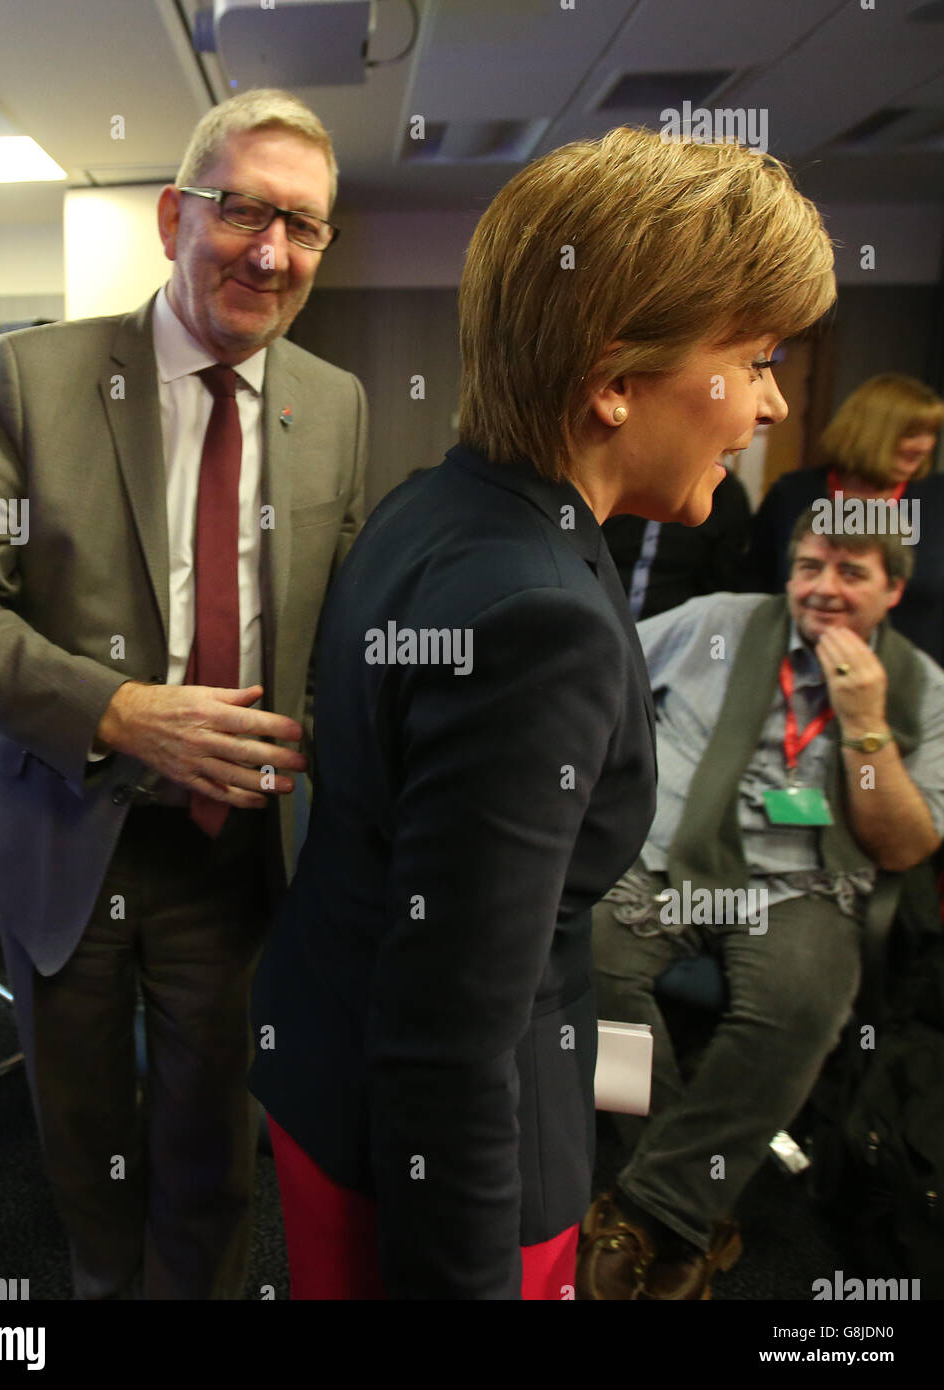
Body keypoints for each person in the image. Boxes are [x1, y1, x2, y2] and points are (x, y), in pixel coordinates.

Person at [248, 127, 836, 1299]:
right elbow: (451, 1034)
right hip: (445, 1174)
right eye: (756, 357)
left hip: (328, 1075)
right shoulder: (539, 617)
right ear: (615, 379)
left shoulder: (438, 502)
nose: (769, 402)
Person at [0, 88, 368, 1299]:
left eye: (305, 226)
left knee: (216, 1153)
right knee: (91, 1154)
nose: (273, 250)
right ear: (175, 216)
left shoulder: (338, 408)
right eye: (246, 211)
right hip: (70, 835)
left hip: (239, 854)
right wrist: (115, 710)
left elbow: (336, 634)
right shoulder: (33, 381)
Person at [581, 511, 944, 1300]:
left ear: (894, 589)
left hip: (801, 885)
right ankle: (689, 1211)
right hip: (664, 864)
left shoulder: (922, 688)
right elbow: (598, 670)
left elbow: (906, 849)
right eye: (811, 566)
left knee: (802, 1004)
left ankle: (644, 1208)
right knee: (588, 963)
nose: (825, 588)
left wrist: (867, 726)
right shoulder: (716, 621)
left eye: (853, 573)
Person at [743, 374, 944, 664]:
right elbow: (753, 584)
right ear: (869, 432)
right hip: (792, 671)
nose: (924, 446)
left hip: (910, 680)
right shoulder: (794, 493)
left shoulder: (937, 498)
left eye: (932, 433)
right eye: (912, 433)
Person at [601, 463, 752, 619]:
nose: (741, 441)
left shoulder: (726, 494)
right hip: (595, 620)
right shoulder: (614, 475)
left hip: (676, 629)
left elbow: (724, 582)